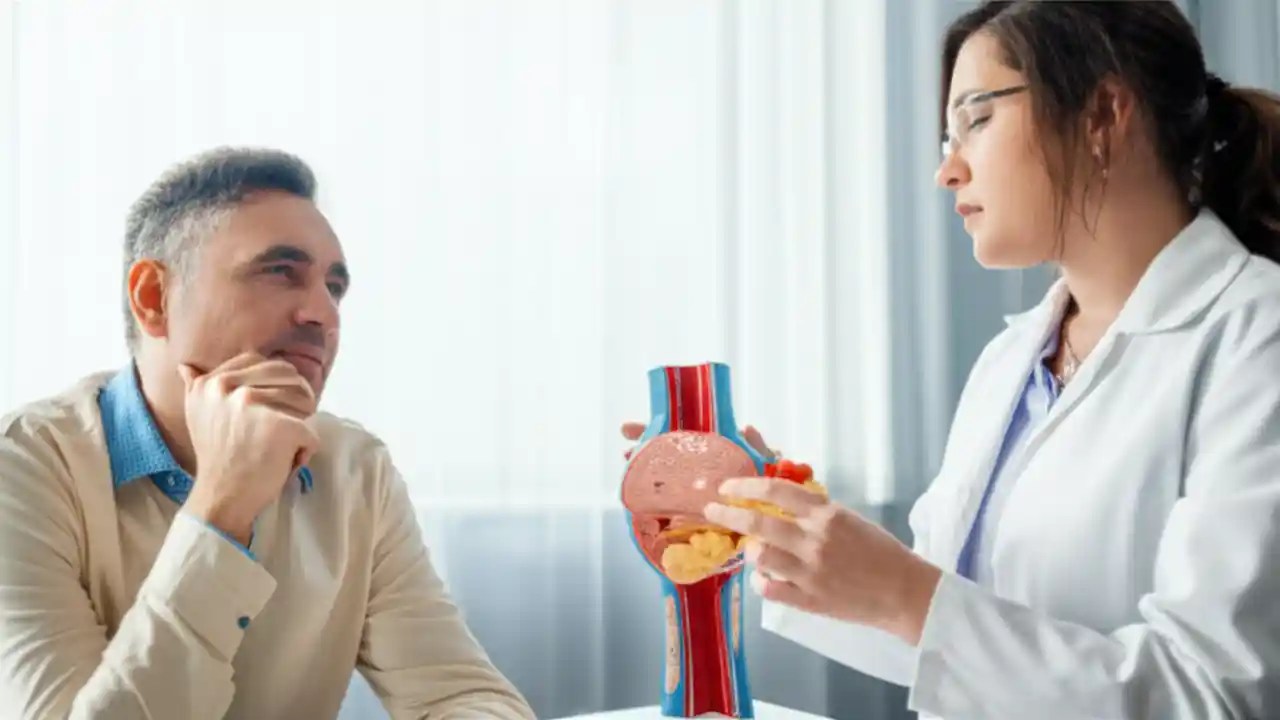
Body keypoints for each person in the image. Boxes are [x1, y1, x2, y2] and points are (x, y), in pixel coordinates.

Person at [625, 1, 1280, 718]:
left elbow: (1217, 695)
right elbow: (941, 634)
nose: (947, 170)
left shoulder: (1256, 337)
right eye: (947, 134)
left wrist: (906, 593)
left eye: (977, 119)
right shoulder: (1013, 360)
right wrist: (777, 522)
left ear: (1102, 114)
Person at [0, 148, 535, 719]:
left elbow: (465, 696)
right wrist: (220, 507)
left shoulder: (355, 468)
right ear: (153, 299)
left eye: (335, 287)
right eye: (281, 272)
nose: (324, 315)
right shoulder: (25, 468)